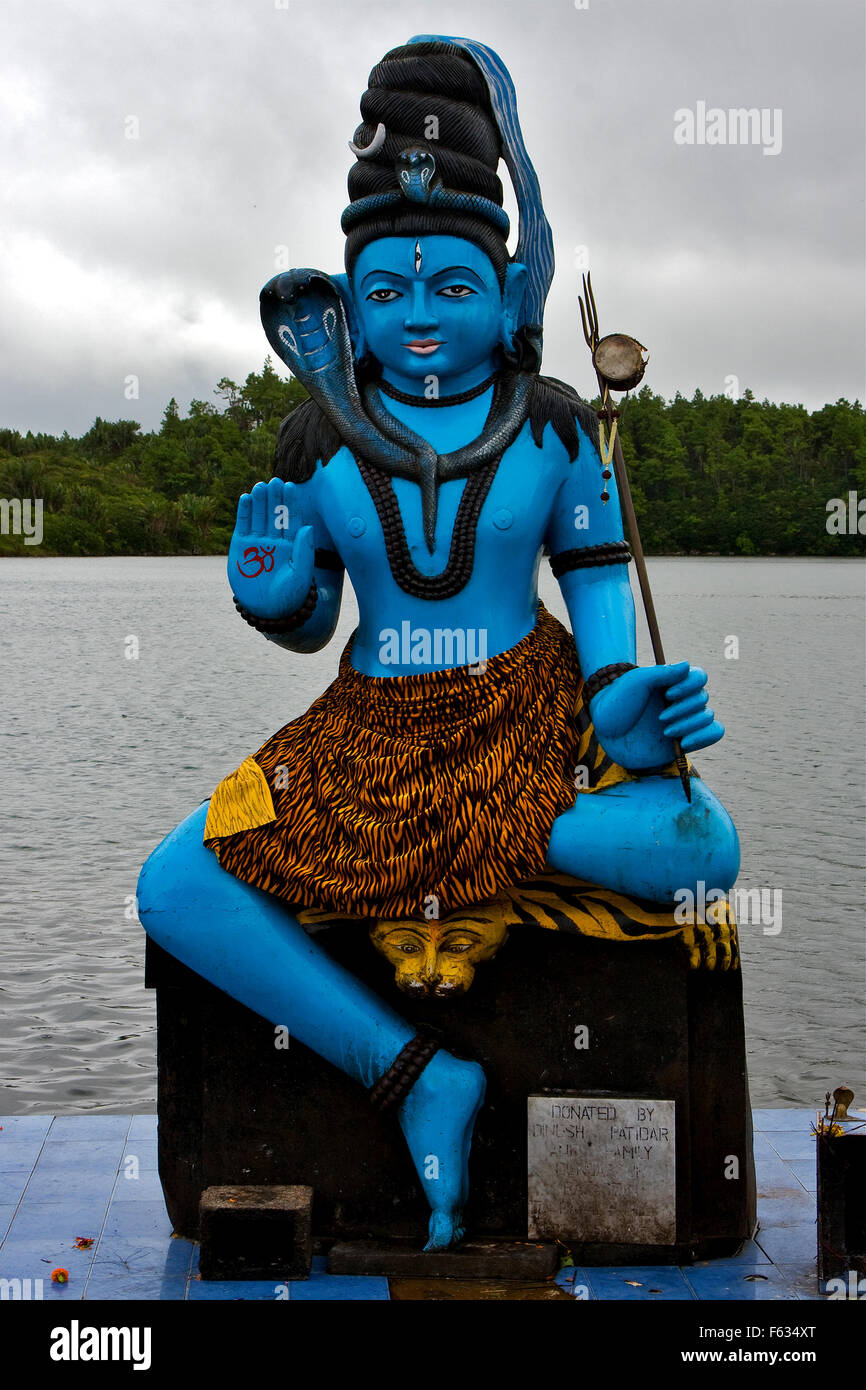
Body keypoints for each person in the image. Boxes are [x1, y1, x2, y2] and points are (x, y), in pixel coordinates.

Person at [137, 37, 739, 1251]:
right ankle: (409, 1069)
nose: (417, 317)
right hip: (366, 726)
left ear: (508, 294)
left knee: (704, 849)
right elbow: (311, 624)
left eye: (451, 287)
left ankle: (517, 828)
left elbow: (599, 604)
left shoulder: (559, 432)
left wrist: (617, 708)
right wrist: (272, 595)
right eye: (389, 289)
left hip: (523, 709)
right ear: (346, 301)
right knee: (173, 883)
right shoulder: (319, 438)